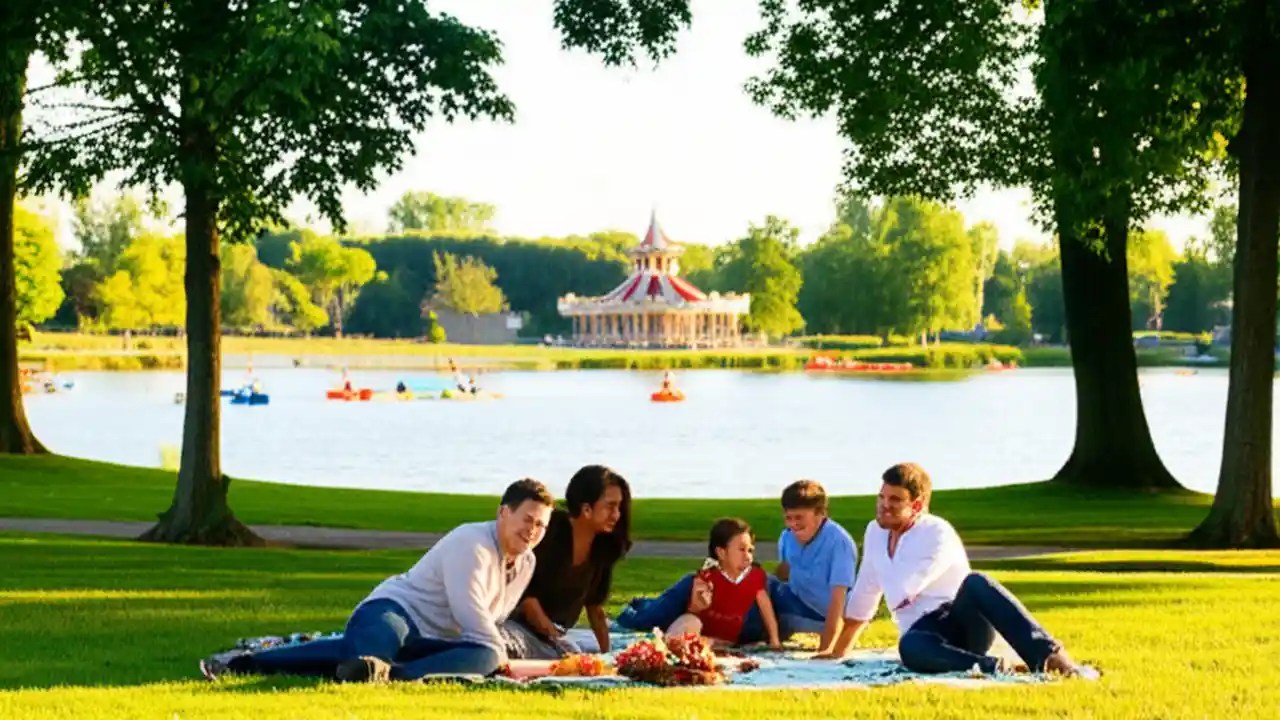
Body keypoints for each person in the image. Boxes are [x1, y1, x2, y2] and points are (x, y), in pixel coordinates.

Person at [202, 479, 555, 682]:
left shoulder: (527, 563)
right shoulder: (471, 544)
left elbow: (487, 625)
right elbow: (473, 617)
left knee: (482, 655)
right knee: (372, 652)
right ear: (502, 512)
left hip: (428, 642)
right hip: (394, 614)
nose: (533, 531)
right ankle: (248, 663)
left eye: (541, 525)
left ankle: (388, 673)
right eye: (527, 519)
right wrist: (499, 655)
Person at [816, 463, 1081, 676]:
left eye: (895, 500)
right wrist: (838, 652)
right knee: (909, 646)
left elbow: (903, 591)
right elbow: (865, 592)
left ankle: (1051, 657)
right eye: (881, 496)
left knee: (977, 582)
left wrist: (888, 558)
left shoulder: (936, 532)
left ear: (917, 506)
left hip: (961, 621)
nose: (884, 505)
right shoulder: (875, 531)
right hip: (924, 634)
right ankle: (991, 666)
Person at [616, 480, 856, 653]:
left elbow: (838, 601)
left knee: (709, 592)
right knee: (711, 583)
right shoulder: (788, 537)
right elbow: (784, 572)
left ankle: (638, 614)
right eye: (788, 517)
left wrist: (827, 651)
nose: (792, 525)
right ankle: (647, 610)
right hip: (787, 598)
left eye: (799, 518)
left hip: (812, 613)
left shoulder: (839, 543)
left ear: (821, 513)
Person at [503, 465, 632, 658]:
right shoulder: (550, 530)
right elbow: (527, 599)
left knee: (573, 654)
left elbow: (595, 608)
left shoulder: (602, 547)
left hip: (552, 637)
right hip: (517, 625)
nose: (617, 515)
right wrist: (556, 640)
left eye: (619, 507)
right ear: (586, 508)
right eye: (610, 506)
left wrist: (609, 656)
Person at [667, 518, 782, 650]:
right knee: (690, 623)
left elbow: (765, 606)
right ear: (721, 553)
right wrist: (700, 602)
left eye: (750, 550)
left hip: (727, 642)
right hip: (702, 635)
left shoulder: (756, 576)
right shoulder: (708, 575)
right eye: (741, 550)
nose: (748, 556)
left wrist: (775, 640)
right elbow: (693, 610)